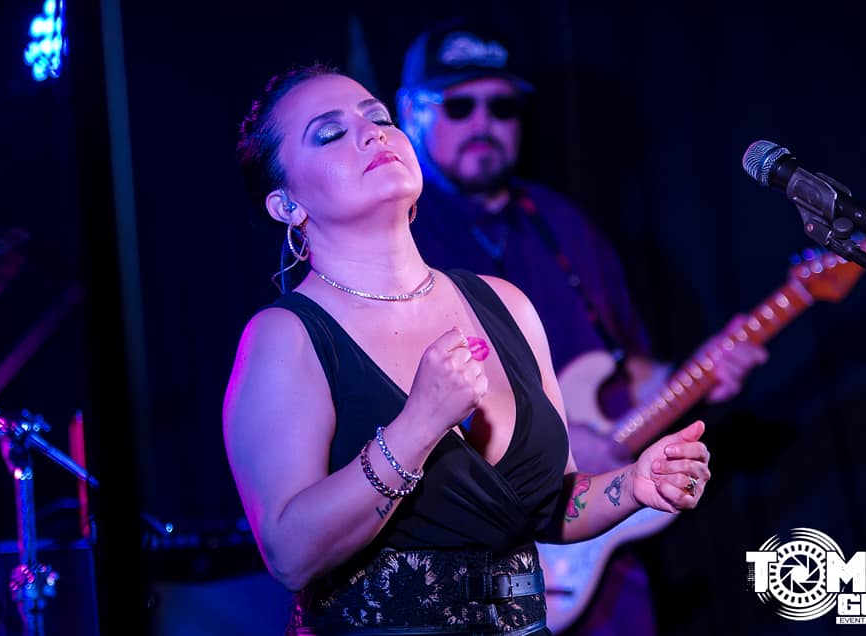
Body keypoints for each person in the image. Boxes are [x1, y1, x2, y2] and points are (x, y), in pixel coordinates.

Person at [222, 61, 714, 636]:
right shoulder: (285, 337)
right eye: (330, 133)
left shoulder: (504, 304)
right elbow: (290, 553)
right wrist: (418, 425)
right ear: (287, 205)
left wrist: (631, 486)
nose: (371, 133)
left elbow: (551, 505)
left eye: (377, 118)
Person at [395, 18, 769, 635]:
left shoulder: (561, 223)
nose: (484, 124)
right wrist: (560, 447)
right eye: (459, 105)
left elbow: (626, 366)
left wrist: (702, 376)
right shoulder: (399, 236)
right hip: (467, 566)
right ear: (410, 112)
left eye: (503, 107)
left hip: (604, 560)